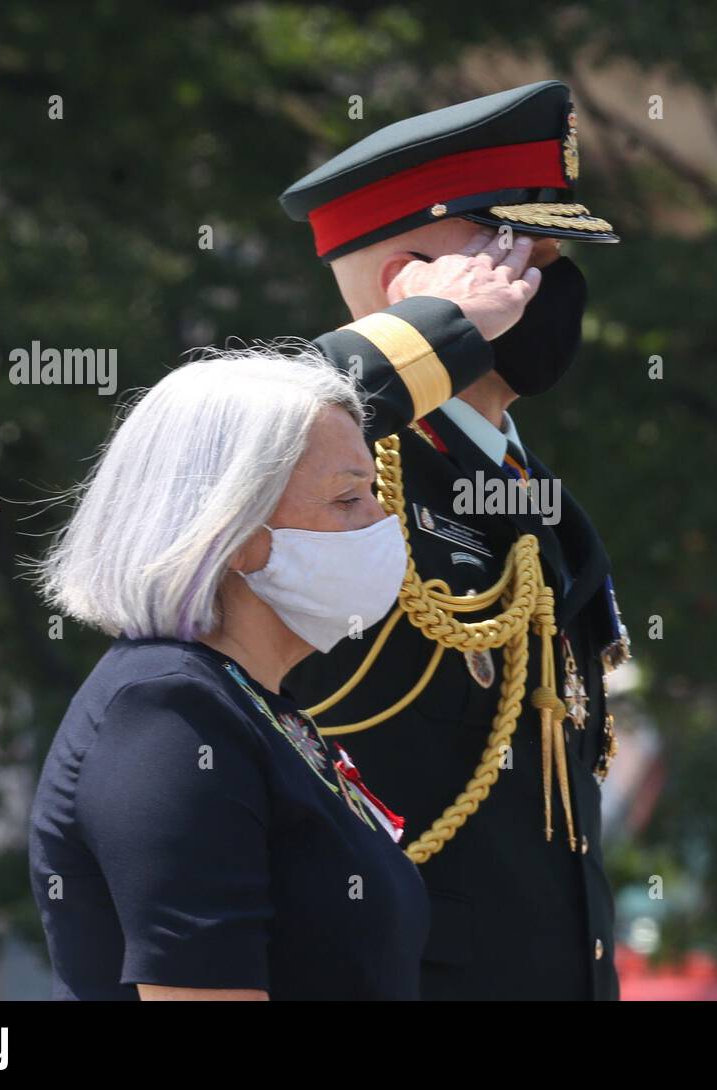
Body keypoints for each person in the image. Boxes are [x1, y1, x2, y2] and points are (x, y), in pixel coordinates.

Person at [26, 237, 540, 1000]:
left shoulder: (257, 704)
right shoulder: (168, 712)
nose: (381, 520)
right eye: (347, 499)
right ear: (231, 537)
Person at [279, 79, 632, 1000]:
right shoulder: (334, 483)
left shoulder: (533, 495)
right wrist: (420, 337)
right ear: (410, 287)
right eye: (519, 247)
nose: (554, 271)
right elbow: (235, 447)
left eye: (557, 245)